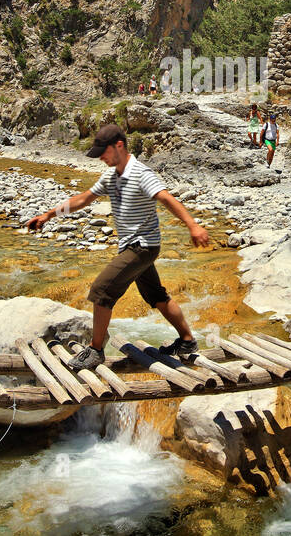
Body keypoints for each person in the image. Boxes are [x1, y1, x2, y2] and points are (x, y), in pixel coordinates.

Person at [26, 124, 210, 368]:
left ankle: (95, 350)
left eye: (104, 151)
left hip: (142, 245)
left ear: (119, 146)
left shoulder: (141, 173)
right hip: (132, 246)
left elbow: (166, 198)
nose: (101, 157)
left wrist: (193, 226)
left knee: (102, 290)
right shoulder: (111, 176)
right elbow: (83, 199)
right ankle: (187, 341)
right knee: (156, 296)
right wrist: (48, 215)